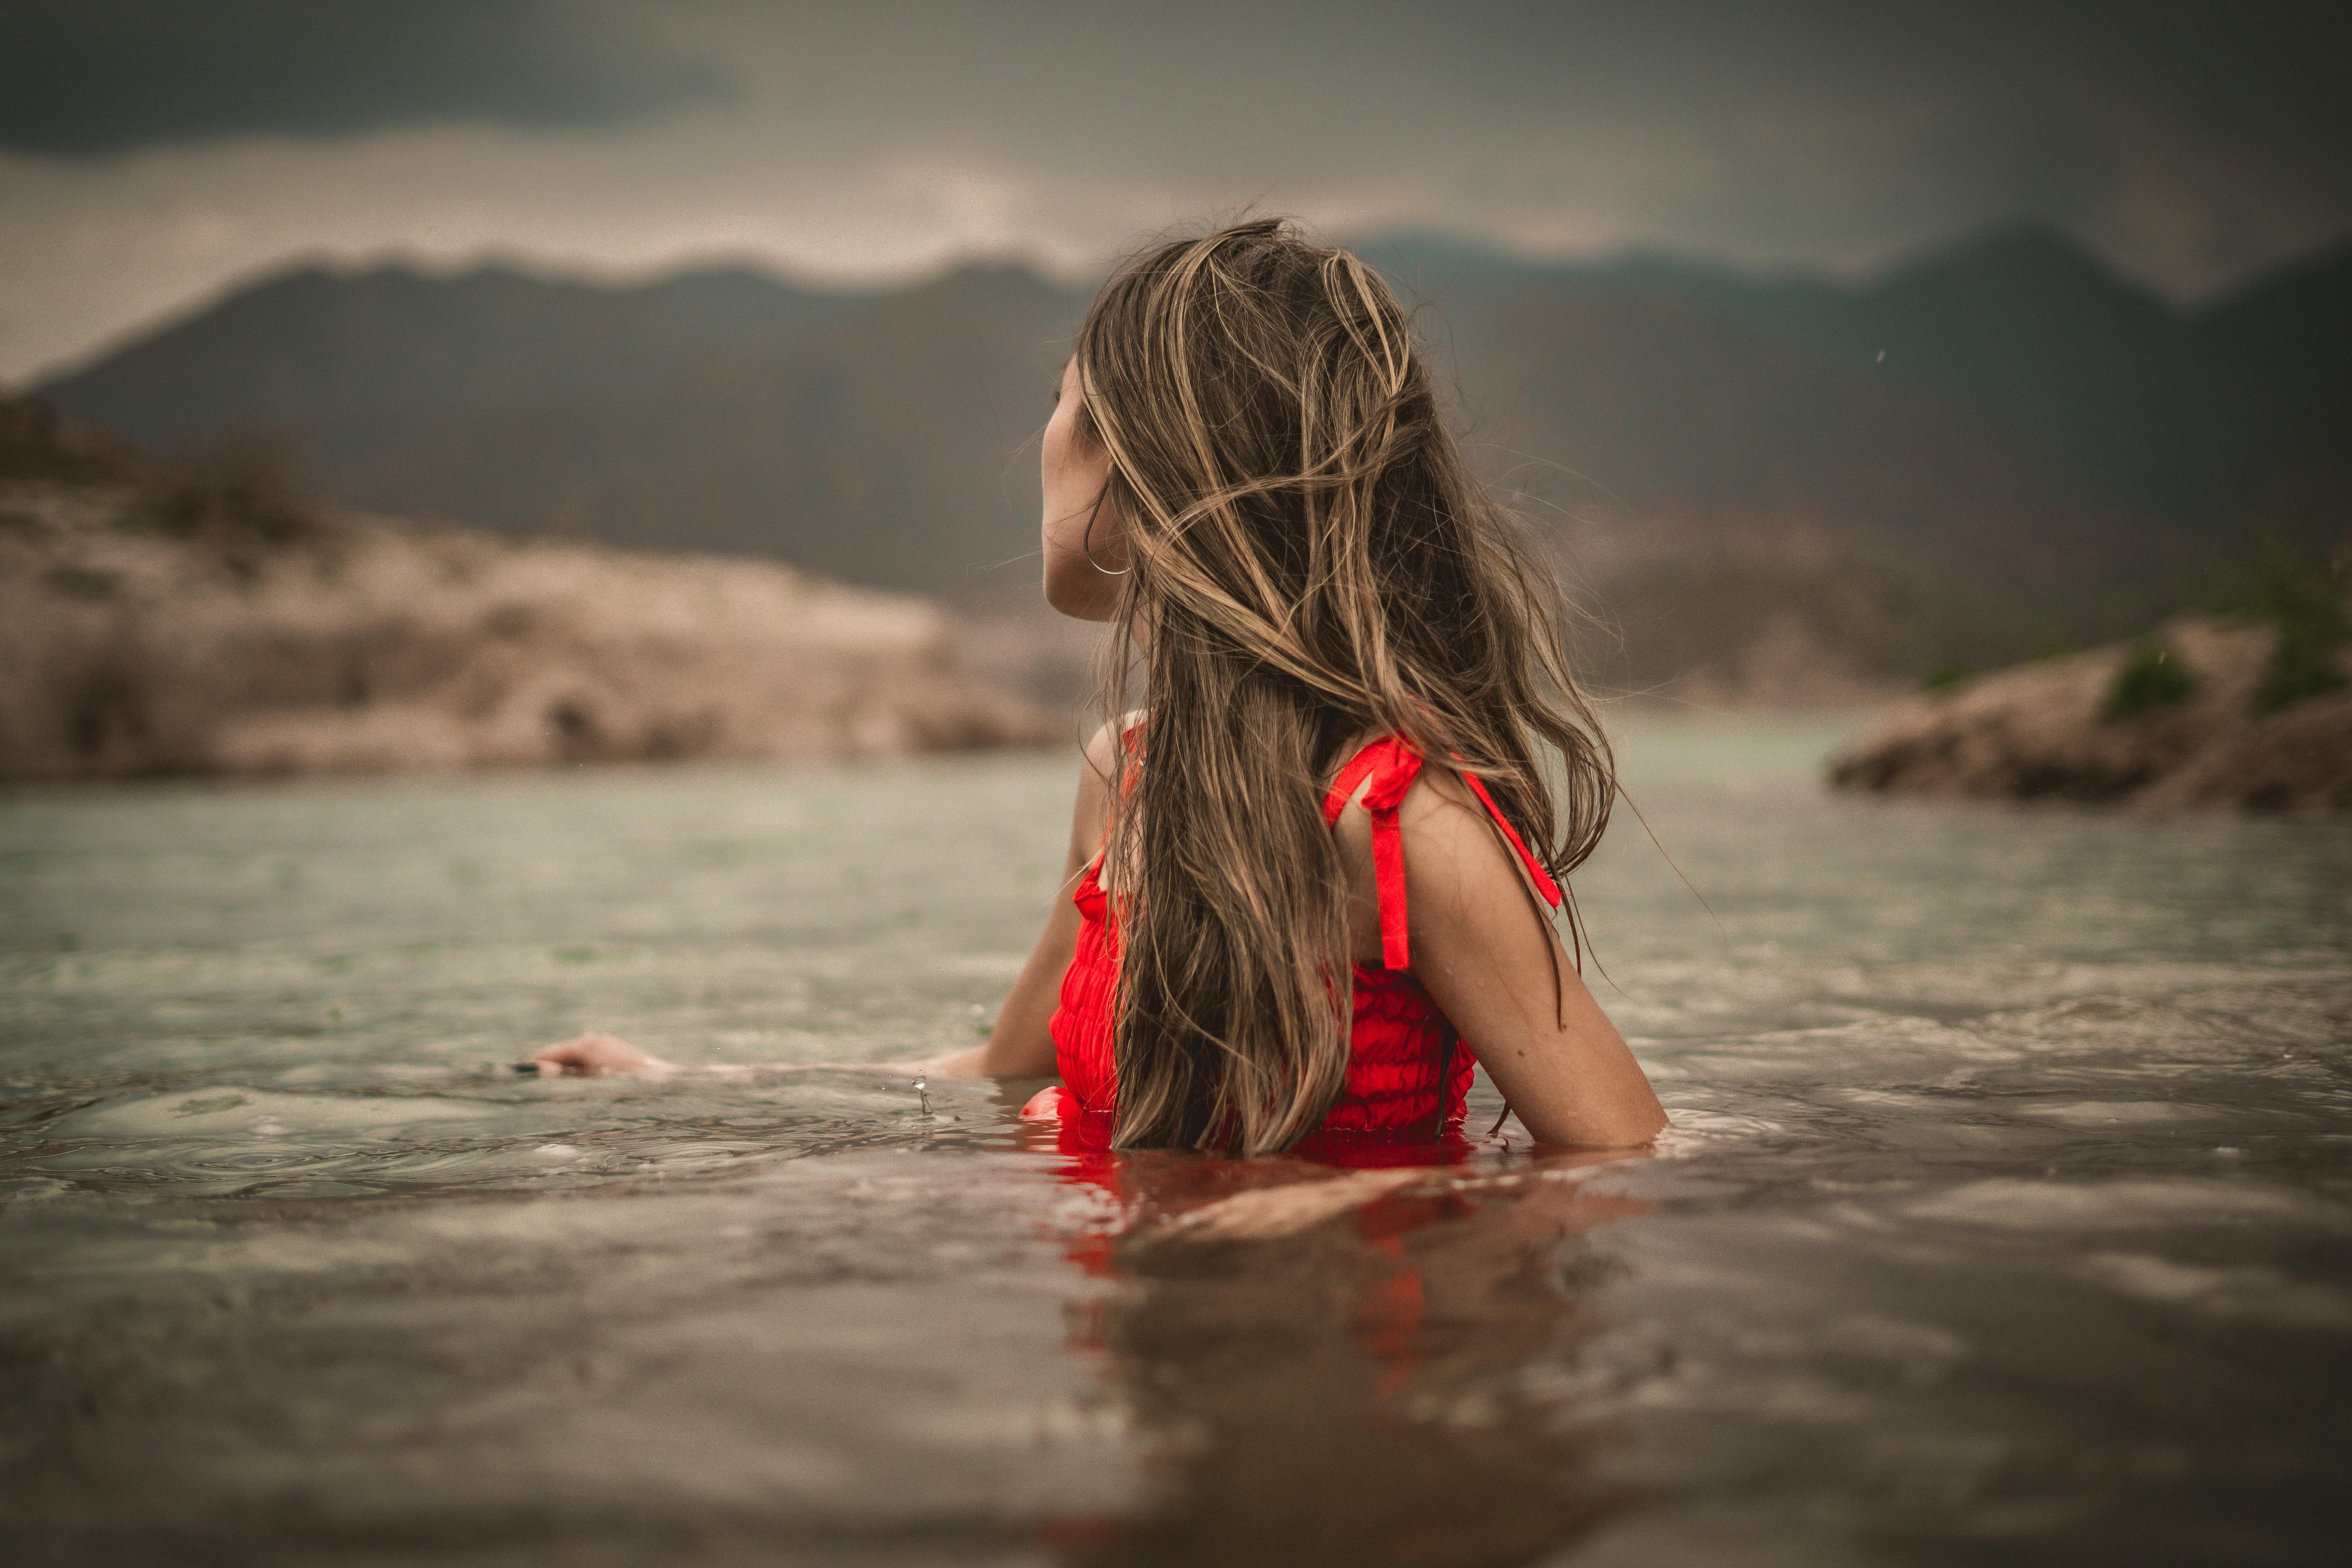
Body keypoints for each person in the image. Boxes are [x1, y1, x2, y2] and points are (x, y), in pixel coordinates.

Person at [529, 219, 1666, 1156]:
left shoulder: (1402, 826)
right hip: (1149, 1390)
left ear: (1159, 472)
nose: (1045, 438)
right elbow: (997, 1069)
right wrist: (678, 1085)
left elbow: (1629, 1162)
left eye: (1067, 404)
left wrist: (1324, 1210)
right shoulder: (1123, 773)